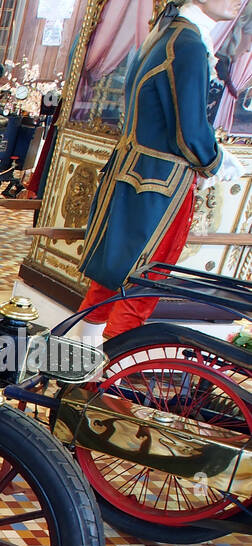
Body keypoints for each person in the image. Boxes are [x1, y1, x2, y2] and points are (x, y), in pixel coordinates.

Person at [74, 0, 244, 340]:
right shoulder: (189, 44)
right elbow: (189, 131)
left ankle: (79, 369)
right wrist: (217, 161)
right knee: (141, 286)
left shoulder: (168, 33)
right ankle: (108, 374)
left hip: (138, 177)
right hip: (160, 185)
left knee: (109, 284)